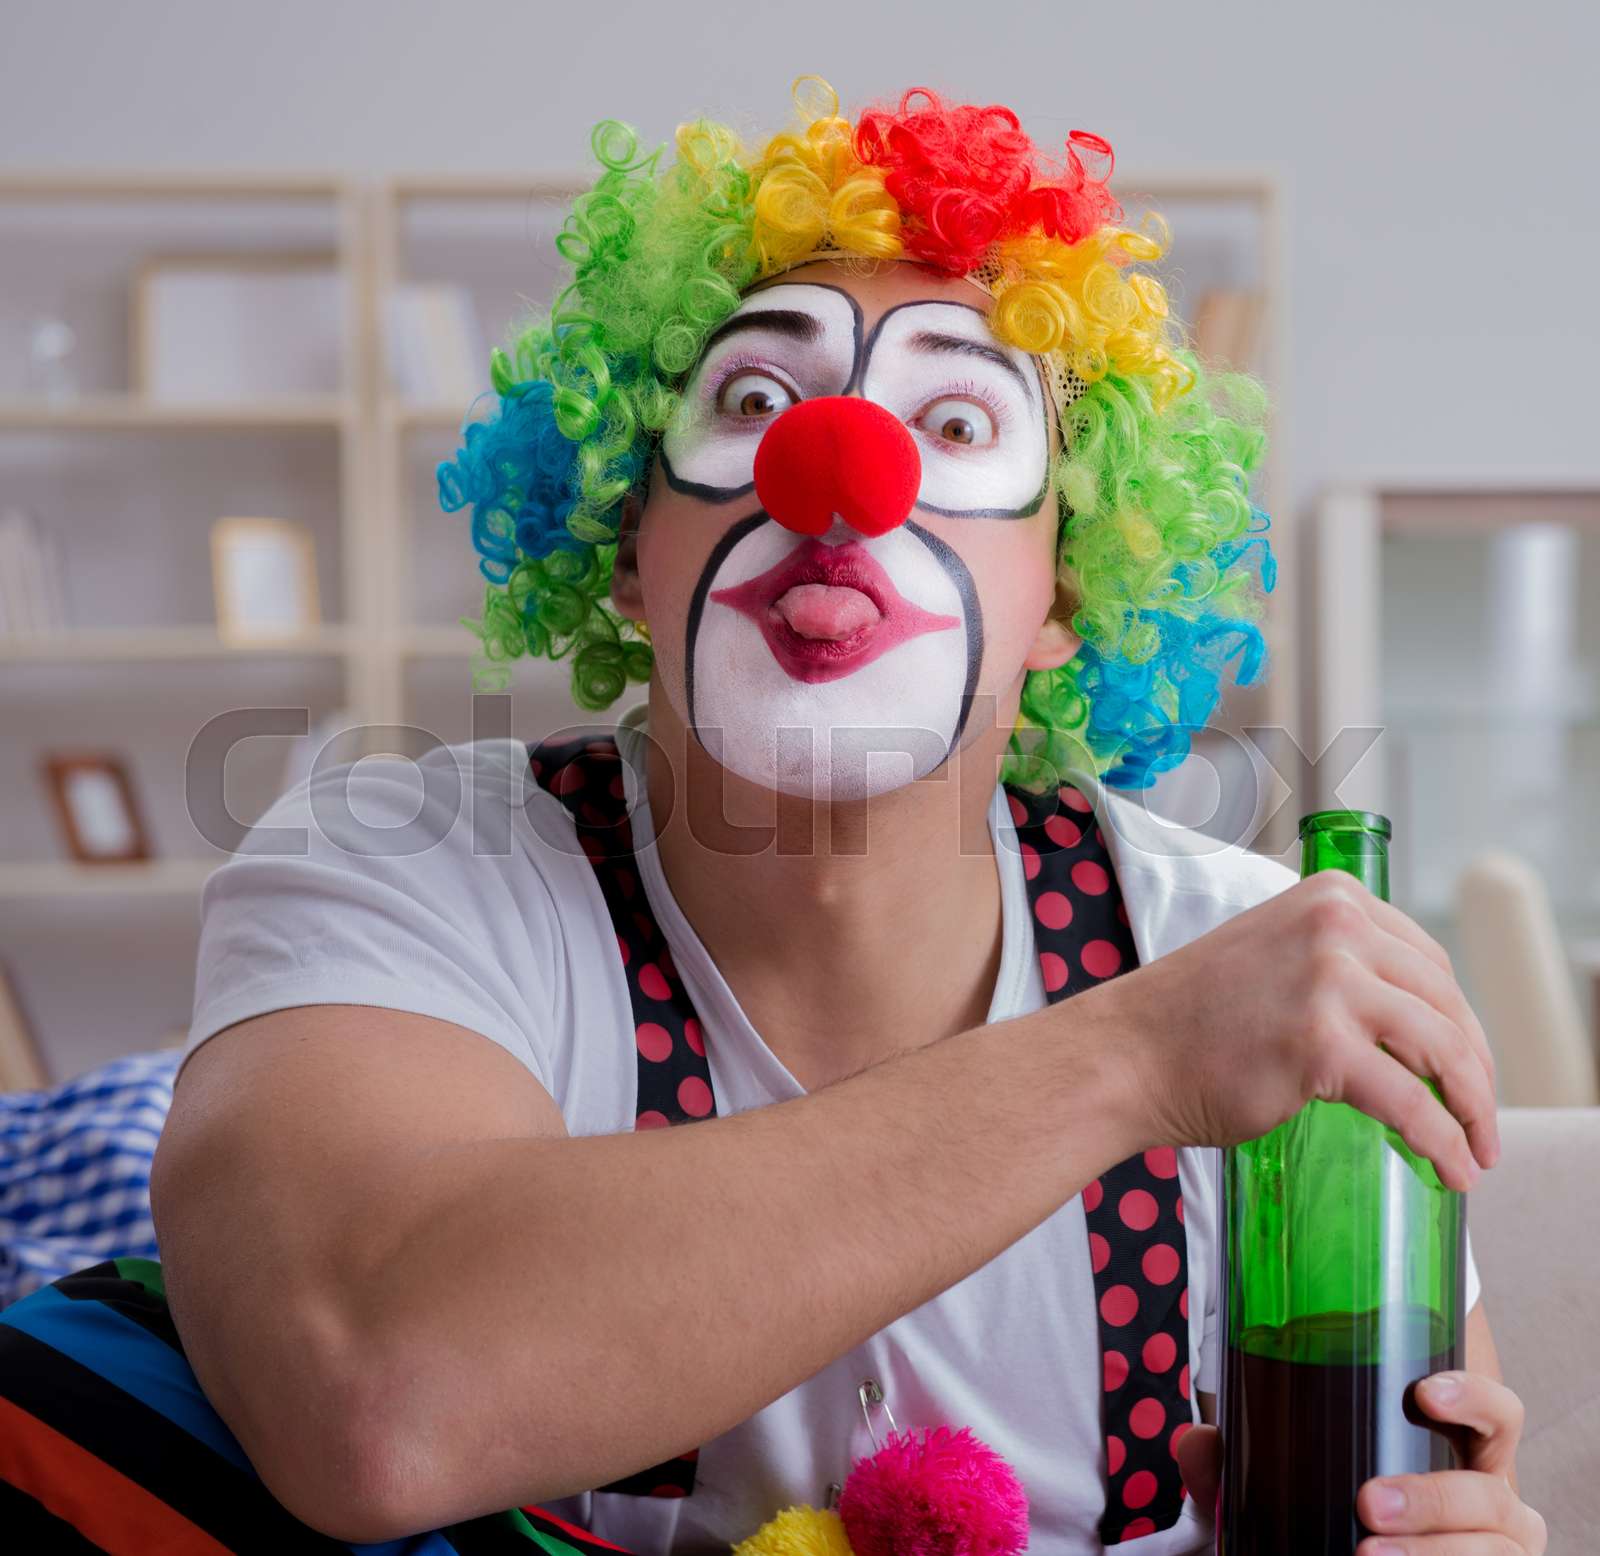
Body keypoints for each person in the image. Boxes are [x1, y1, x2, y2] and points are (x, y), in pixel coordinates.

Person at [149, 80, 1545, 1553]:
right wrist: (1137, 1056)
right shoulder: (393, 876)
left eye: (955, 421)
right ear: (630, 549)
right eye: (755, 404)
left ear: (1064, 593)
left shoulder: (1256, 975)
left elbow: (1431, 1484)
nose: (840, 481)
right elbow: (374, 1400)